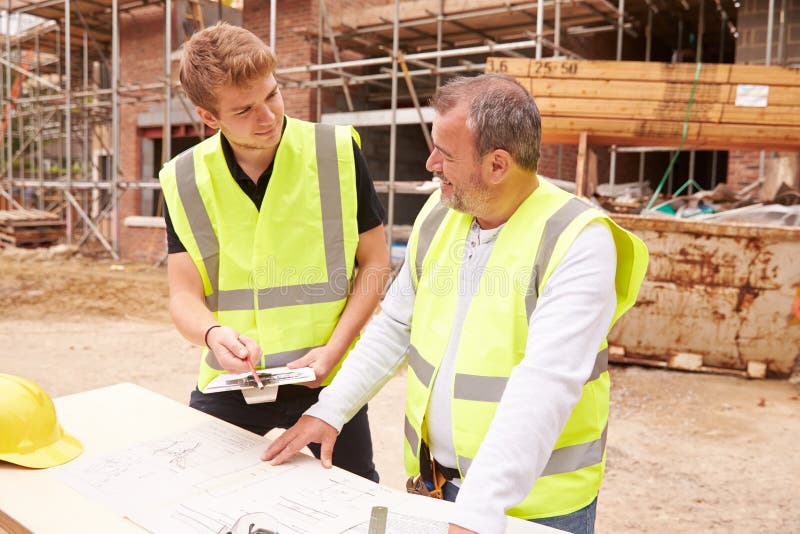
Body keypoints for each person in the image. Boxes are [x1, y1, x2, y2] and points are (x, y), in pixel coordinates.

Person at [262, 73, 649, 534]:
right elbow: (395, 326)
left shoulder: (579, 241)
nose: (430, 164)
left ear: (497, 165)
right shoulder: (441, 215)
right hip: (436, 487)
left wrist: (479, 512)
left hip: (532, 511)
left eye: (444, 154)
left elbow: (545, 386)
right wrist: (329, 410)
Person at [159, 22, 390, 483]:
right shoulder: (182, 179)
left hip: (326, 375)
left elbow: (376, 264)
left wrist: (334, 350)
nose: (268, 117)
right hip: (231, 381)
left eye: (273, 94)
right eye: (244, 109)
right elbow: (182, 295)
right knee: (197, 489)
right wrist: (212, 334)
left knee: (352, 496)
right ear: (209, 117)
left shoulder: (338, 152)